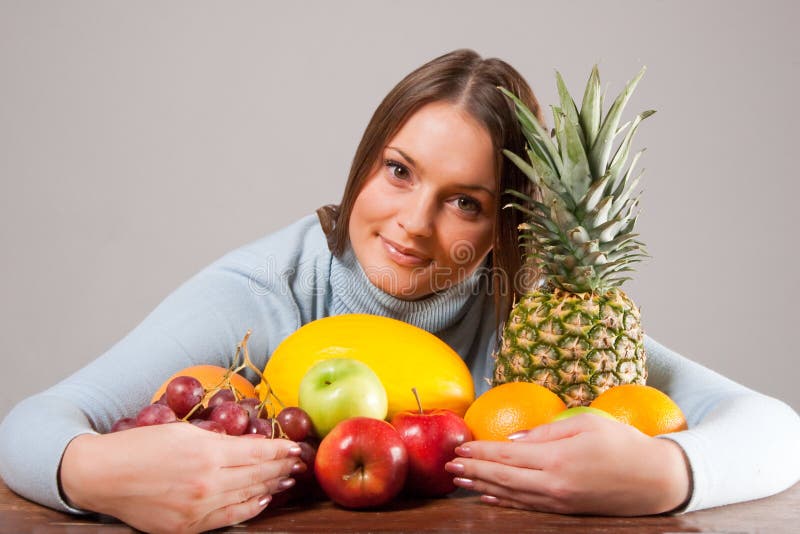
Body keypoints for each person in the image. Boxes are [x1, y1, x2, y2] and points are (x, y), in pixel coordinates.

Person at [1, 48, 799, 532]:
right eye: (398, 171)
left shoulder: (530, 319)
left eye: (465, 201)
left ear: (503, 229)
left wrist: (668, 476)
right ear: (365, 161)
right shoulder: (270, 289)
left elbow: (777, 430)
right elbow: (31, 424)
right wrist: (94, 475)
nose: (413, 223)